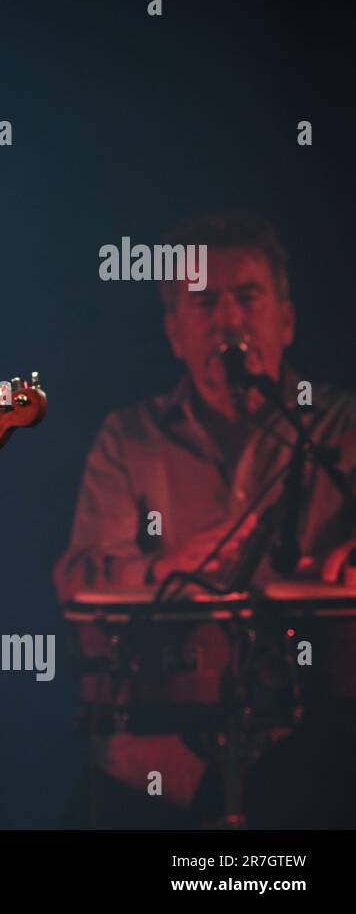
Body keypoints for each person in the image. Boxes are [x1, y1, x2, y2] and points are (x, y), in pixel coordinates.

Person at [54, 212, 356, 827]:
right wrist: (174, 565)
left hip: (318, 752)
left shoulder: (340, 428)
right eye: (205, 301)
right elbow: (78, 579)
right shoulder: (129, 438)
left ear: (287, 318)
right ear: (174, 331)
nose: (229, 320)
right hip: (158, 766)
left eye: (247, 297)